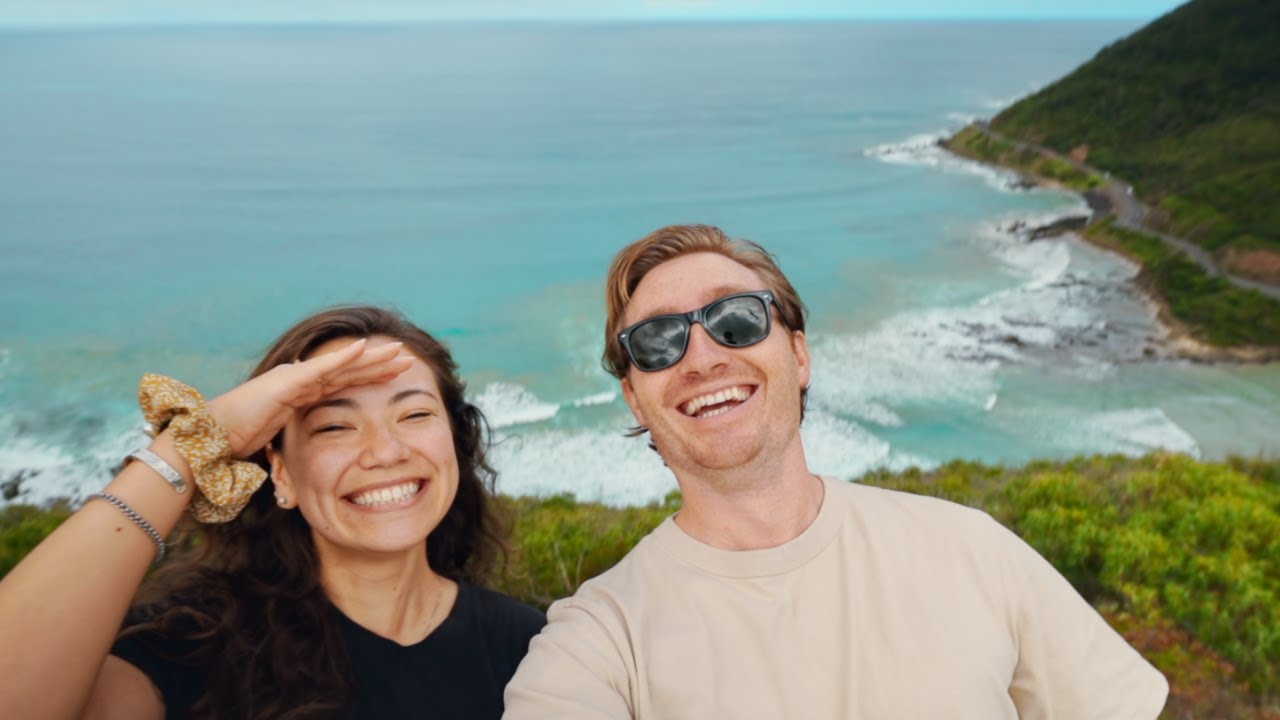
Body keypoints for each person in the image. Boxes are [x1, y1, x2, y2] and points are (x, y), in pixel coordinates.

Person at [503, 224, 1168, 719]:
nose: (701, 355)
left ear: (799, 353)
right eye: (656, 341)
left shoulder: (972, 549)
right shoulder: (598, 643)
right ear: (635, 399)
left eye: (736, 318)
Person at [0, 306, 545, 720]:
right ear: (280, 474)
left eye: (415, 414)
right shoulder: (189, 644)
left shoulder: (535, 649)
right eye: (334, 425)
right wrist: (193, 445)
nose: (386, 451)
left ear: (455, 440)